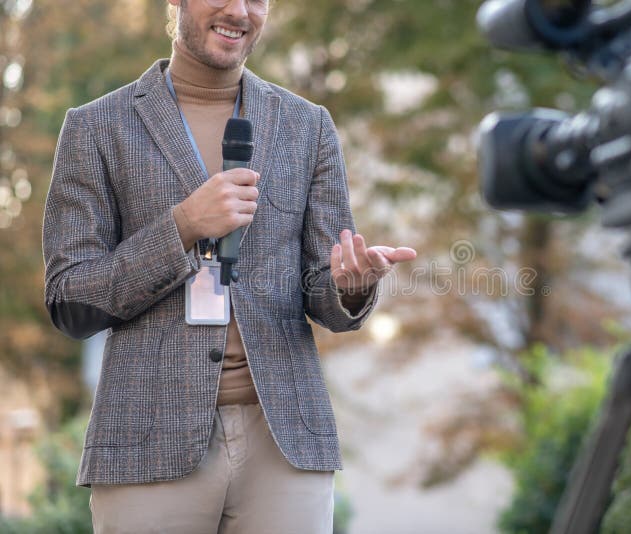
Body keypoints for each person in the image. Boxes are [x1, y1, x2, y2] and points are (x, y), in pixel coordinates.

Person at [42, 0, 416, 531]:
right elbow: (70, 299)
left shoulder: (307, 125)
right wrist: (183, 226)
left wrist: (349, 286)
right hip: (147, 441)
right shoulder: (96, 127)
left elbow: (323, 295)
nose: (239, 10)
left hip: (283, 440)